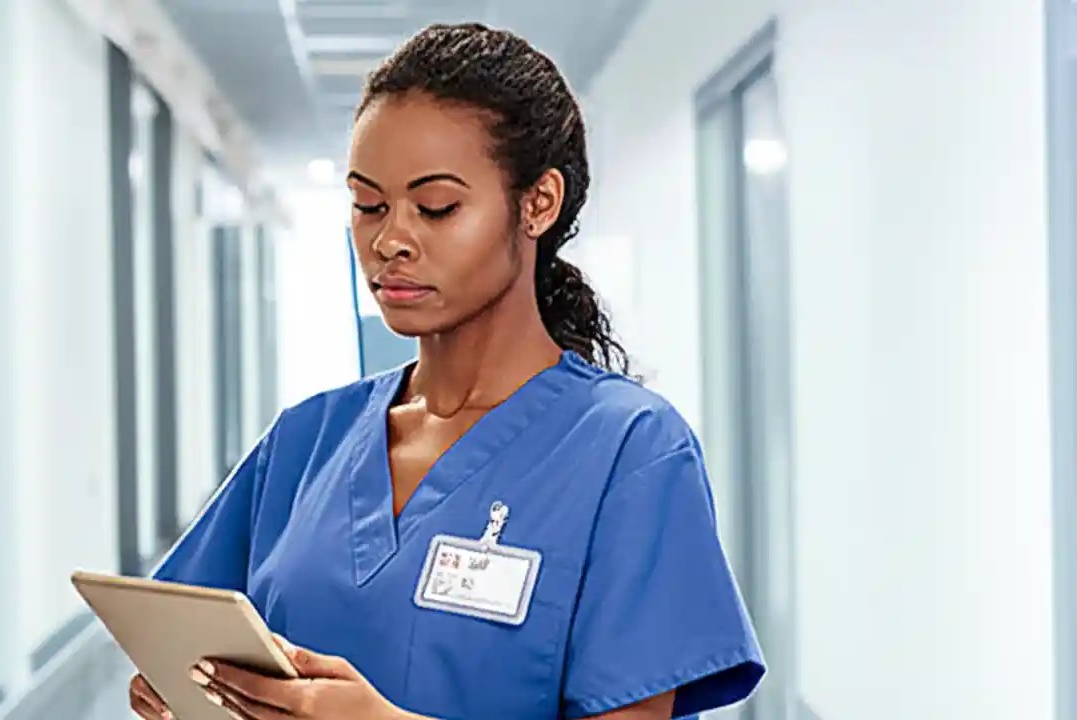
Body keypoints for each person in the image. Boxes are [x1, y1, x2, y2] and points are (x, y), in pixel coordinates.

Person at [129, 22, 763, 720]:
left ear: (537, 204)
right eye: (368, 205)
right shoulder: (308, 440)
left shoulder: (629, 451)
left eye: (437, 208)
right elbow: (190, 644)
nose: (389, 240)